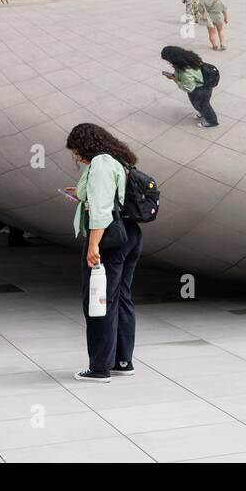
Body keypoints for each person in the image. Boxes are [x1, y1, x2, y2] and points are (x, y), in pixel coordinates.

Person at [64, 123, 143, 382]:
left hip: (108, 238)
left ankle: (99, 368)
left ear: (85, 145)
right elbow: (112, 197)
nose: (76, 157)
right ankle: (122, 361)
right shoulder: (118, 160)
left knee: (99, 302)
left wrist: (94, 245)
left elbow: (101, 209)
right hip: (129, 234)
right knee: (121, 298)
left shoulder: (99, 164)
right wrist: (81, 193)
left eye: (76, 150)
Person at [161, 45, 217, 127]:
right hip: (204, 85)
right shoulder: (189, 58)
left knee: (202, 105)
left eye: (168, 60)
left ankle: (211, 121)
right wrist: (174, 75)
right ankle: (203, 113)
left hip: (200, 90)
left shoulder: (185, 71)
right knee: (202, 104)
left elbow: (189, 88)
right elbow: (183, 73)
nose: (168, 62)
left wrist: (175, 80)